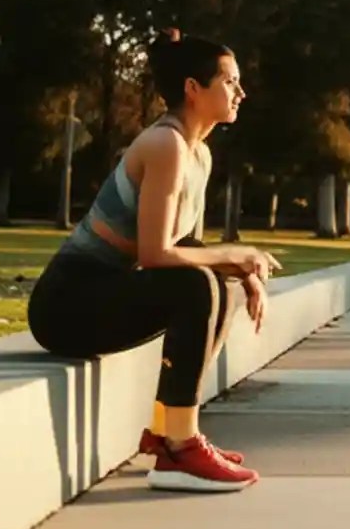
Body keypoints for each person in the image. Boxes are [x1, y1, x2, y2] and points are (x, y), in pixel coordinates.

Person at [27, 28, 279, 493]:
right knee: (198, 286)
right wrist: (239, 254)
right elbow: (156, 253)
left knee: (210, 283)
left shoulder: (197, 153)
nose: (241, 92)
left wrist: (241, 272)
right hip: (67, 304)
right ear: (192, 88)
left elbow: (188, 246)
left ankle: (172, 434)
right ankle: (178, 450)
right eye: (230, 81)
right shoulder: (166, 145)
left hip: (100, 295)